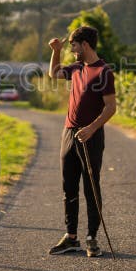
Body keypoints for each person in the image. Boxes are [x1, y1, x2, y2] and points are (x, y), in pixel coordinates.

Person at [47, 25, 116, 257]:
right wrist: (56, 51)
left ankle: (91, 238)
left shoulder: (104, 71)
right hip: (69, 133)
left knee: (91, 187)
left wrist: (91, 128)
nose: (72, 51)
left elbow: (111, 107)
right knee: (69, 186)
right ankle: (71, 236)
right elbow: (53, 74)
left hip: (91, 135)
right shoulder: (76, 68)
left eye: (74, 46)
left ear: (85, 44)